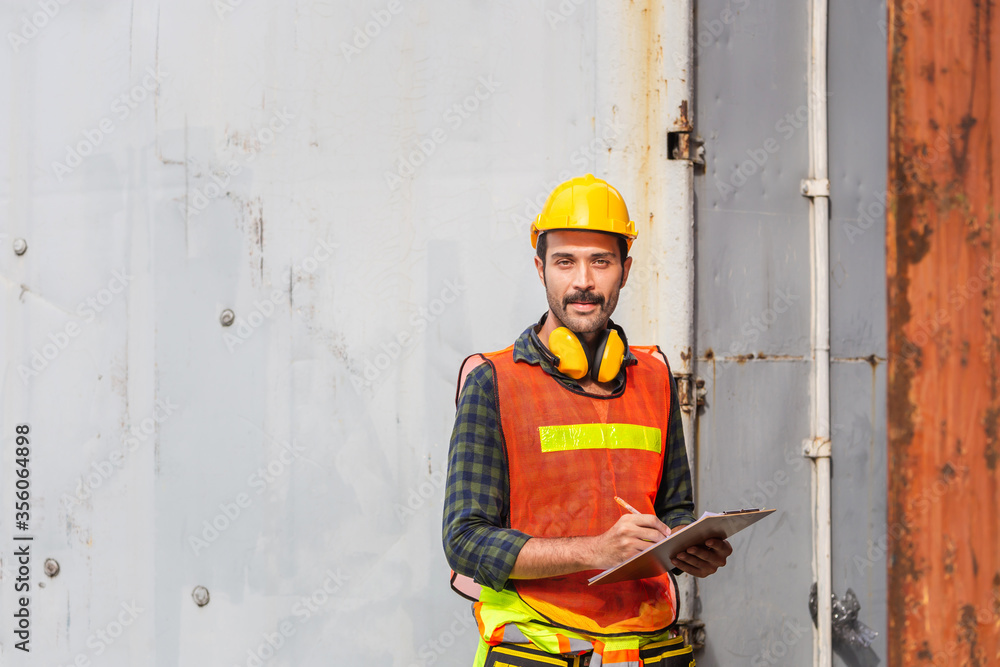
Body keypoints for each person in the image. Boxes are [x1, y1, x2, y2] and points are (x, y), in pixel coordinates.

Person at [442, 174, 732, 667]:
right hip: (536, 650)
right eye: (565, 262)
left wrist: (688, 547)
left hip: (649, 649)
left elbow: (674, 509)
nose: (583, 281)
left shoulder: (657, 379)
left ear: (625, 269)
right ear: (540, 269)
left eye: (600, 261)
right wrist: (595, 550)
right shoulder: (494, 382)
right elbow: (465, 541)